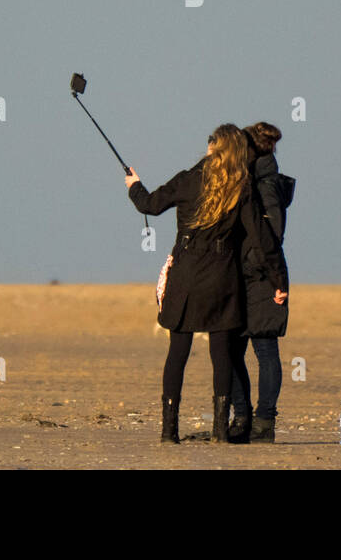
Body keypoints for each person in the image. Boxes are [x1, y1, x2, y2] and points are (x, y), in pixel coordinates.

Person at [126, 124, 261, 444]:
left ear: (213, 147)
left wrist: (133, 185)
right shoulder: (242, 187)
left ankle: (168, 431)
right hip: (222, 277)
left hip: (186, 274)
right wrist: (276, 277)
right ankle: (219, 432)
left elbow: (149, 205)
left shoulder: (188, 179)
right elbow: (258, 236)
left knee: (178, 351)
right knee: (221, 354)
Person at [228, 122, 295, 443]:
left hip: (264, 278)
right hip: (243, 277)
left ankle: (264, 421)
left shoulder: (266, 185)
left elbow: (272, 236)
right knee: (230, 349)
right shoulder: (250, 181)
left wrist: (257, 270)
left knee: (265, 350)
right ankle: (241, 417)